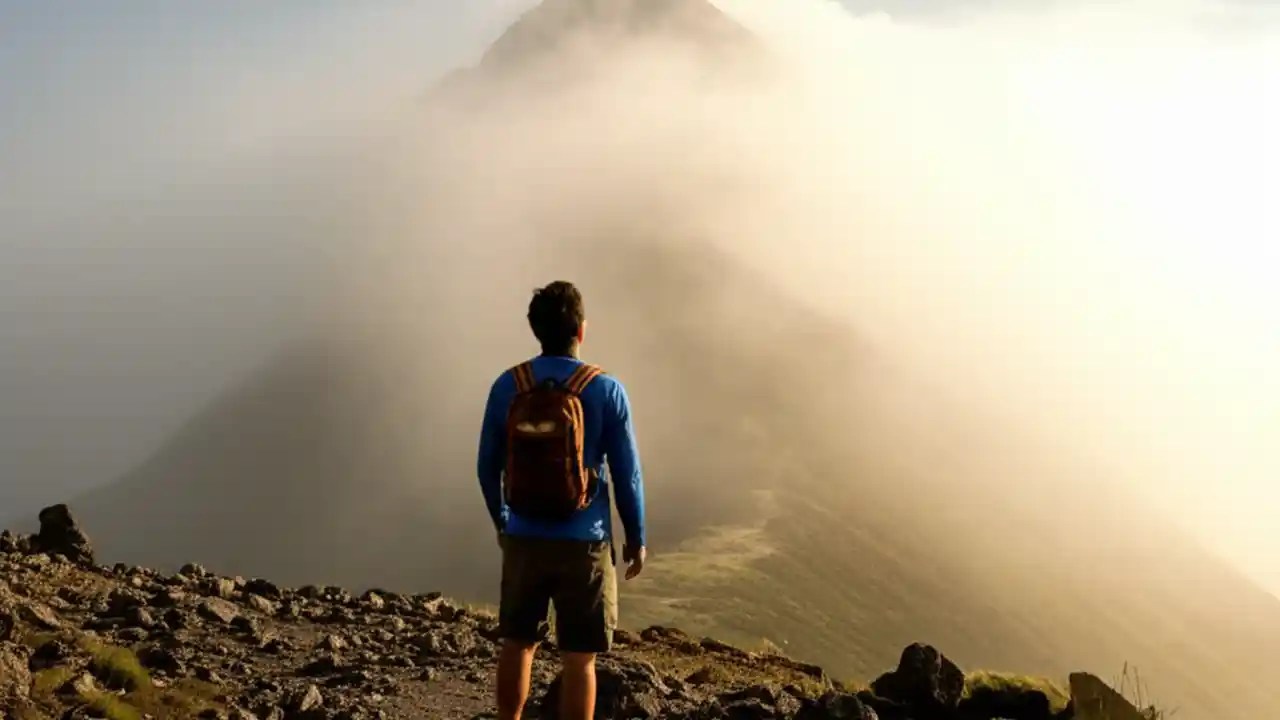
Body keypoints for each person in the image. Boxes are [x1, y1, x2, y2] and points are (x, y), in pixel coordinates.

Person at [477, 280, 647, 720]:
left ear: (536, 329)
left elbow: (485, 466)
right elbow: (628, 475)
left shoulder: (507, 386)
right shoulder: (607, 391)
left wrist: (502, 522)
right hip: (584, 542)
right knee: (580, 657)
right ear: (581, 330)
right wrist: (636, 537)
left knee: (518, 642)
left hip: (523, 536)